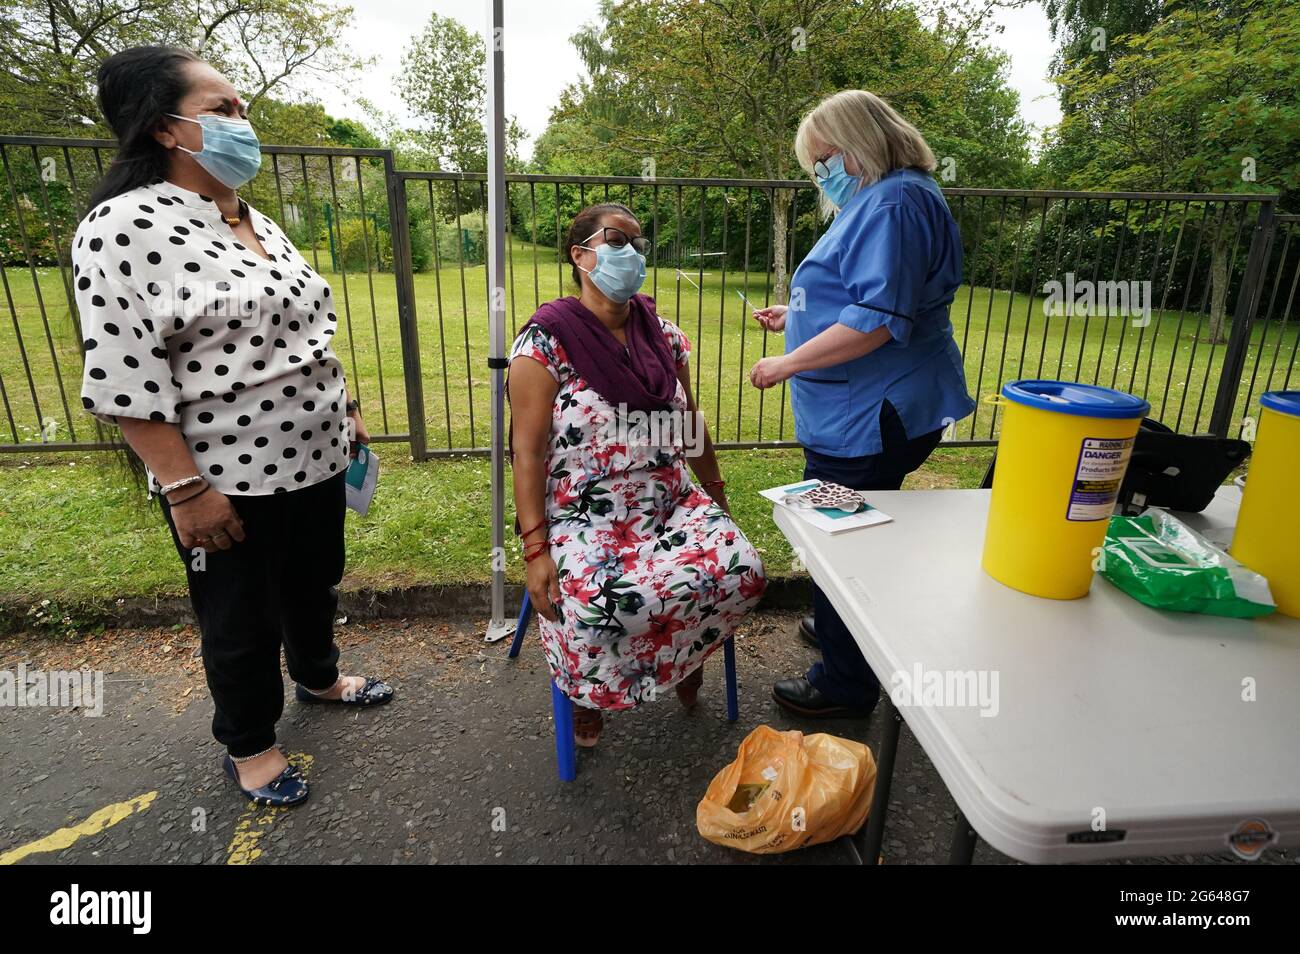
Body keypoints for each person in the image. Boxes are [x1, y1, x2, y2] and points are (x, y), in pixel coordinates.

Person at [71, 46, 393, 807]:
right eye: (222, 110)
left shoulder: (254, 220)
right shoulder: (123, 227)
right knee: (240, 617)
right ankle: (250, 745)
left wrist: (345, 414)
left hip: (317, 455)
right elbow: (123, 379)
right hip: (226, 478)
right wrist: (186, 493)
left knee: (313, 582)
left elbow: (302, 332)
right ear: (163, 128)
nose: (242, 123)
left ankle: (317, 677)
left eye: (242, 109)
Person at [748, 90, 975, 718]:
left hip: (871, 416)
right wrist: (795, 318)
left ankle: (844, 685)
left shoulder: (896, 201)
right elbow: (857, 296)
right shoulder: (896, 195)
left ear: (860, 146)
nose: (820, 173)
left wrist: (787, 362)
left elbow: (876, 320)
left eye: (824, 159)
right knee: (858, 532)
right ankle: (844, 629)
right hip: (877, 406)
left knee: (836, 541)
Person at [507, 202, 767, 746]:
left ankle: (685, 653)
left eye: (638, 243)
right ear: (581, 255)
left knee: (741, 568)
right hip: (586, 515)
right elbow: (527, 452)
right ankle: (586, 693)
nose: (633, 253)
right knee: (595, 606)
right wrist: (535, 550)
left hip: (668, 501)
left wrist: (715, 492)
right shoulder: (544, 343)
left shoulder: (664, 336)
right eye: (617, 241)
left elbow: (690, 421)